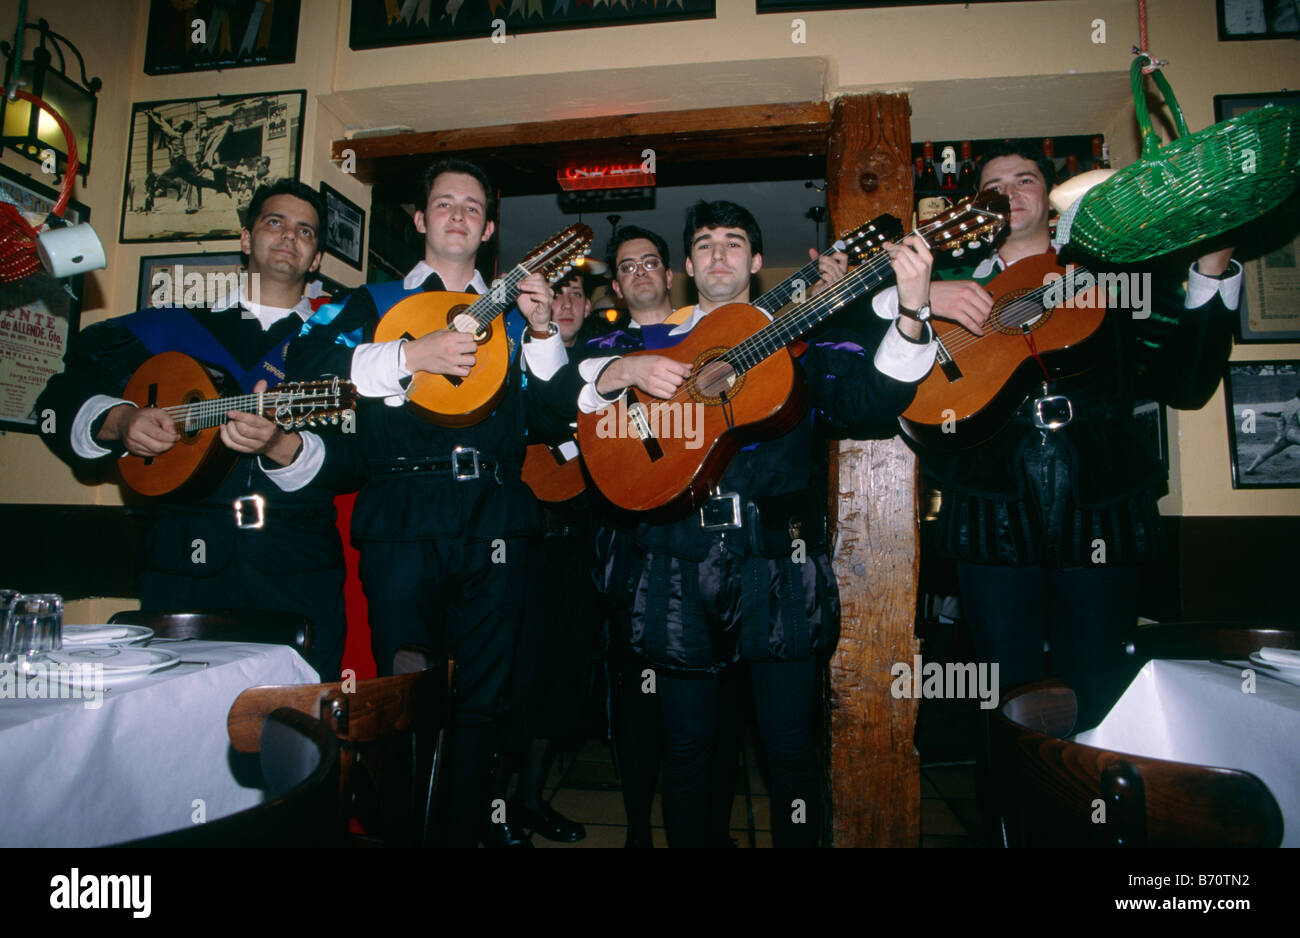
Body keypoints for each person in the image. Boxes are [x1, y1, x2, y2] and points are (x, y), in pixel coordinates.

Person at [557, 201, 934, 847]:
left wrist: (912, 308)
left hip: (775, 566)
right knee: (688, 748)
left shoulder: (803, 336)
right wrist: (621, 373)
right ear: (687, 267)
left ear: (757, 263)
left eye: (733, 243)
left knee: (790, 749)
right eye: (704, 244)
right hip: (678, 560)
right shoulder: (652, 345)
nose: (718, 254)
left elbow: (875, 399)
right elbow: (574, 405)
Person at [874, 139, 1239, 733]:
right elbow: (870, 345)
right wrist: (917, 296)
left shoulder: (1111, 278)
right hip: (991, 504)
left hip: (1102, 502)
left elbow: (1188, 382)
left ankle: (1094, 816)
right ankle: (1009, 823)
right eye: (994, 187)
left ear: (1049, 200)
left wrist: (1211, 270)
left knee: (1097, 683)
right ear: (973, 206)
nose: (1010, 195)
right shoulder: (943, 287)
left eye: (1025, 181)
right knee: (1002, 690)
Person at [284, 157, 568, 848]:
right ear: (419, 219)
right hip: (404, 515)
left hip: (495, 515)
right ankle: (408, 835)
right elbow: (305, 372)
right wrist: (411, 356)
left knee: (481, 697)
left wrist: (541, 333)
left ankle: (462, 833)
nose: (458, 215)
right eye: (444, 203)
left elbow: (557, 416)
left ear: (490, 228)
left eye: (473, 206)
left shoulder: (511, 311)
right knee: (408, 692)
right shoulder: (370, 302)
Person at [36, 179, 359, 680]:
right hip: (183, 565)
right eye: (274, 222)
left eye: (306, 231)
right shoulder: (168, 328)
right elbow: (55, 404)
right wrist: (120, 421)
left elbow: (360, 458)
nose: (289, 237)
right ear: (246, 239)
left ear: (316, 258)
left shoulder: (340, 346)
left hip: (296, 570)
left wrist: (282, 447)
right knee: (171, 731)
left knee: (289, 736)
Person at [1246, 388, 1300, 473]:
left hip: (1286, 433)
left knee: (1268, 452)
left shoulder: (1288, 404)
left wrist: (1279, 435)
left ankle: (1250, 469)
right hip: (1296, 433)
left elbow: (1280, 420)